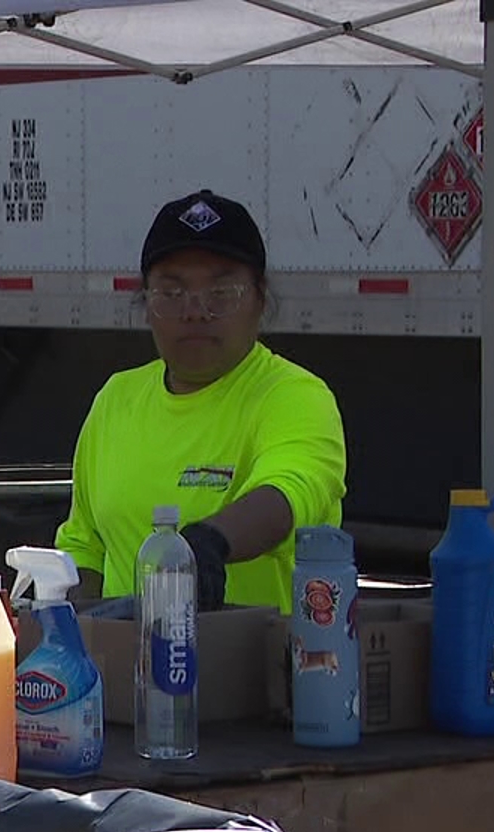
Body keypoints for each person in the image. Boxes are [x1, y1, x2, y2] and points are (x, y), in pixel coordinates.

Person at [55, 190, 347, 614]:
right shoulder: (116, 399)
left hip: (253, 666)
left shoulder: (295, 396)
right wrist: (74, 636)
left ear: (260, 300)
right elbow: (83, 544)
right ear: (146, 303)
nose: (194, 311)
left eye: (221, 292)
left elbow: (290, 493)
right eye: (171, 293)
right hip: (125, 668)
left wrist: (210, 542)